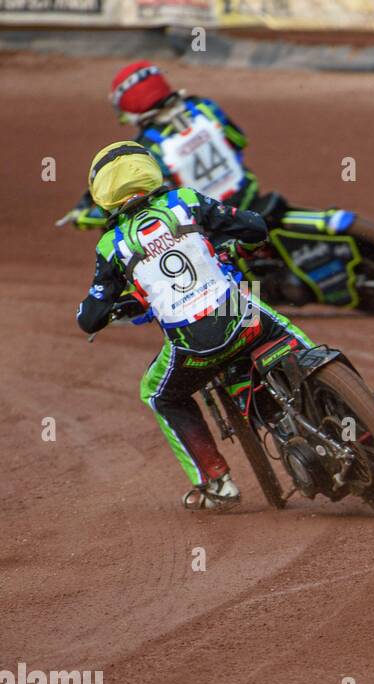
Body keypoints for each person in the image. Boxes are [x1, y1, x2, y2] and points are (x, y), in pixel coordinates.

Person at [75, 141, 314, 510]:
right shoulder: (183, 199)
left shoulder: (112, 243)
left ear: (102, 193)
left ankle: (216, 483)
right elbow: (252, 225)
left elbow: (89, 317)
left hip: (194, 345)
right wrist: (243, 238)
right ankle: (331, 378)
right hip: (238, 311)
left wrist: (100, 311)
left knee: (157, 393)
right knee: (271, 317)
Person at [65, 61, 262, 231]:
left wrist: (84, 218)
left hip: (211, 222)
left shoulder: (147, 146)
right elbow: (240, 140)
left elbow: (143, 200)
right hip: (250, 194)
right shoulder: (202, 106)